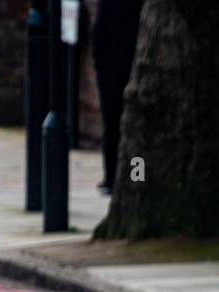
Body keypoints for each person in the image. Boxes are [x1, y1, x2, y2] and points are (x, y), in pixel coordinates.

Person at [91, 0, 145, 195]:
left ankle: (111, 179)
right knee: (136, 125)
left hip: (111, 68)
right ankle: (136, 176)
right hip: (135, 64)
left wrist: (98, 61)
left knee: (112, 124)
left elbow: (99, 33)